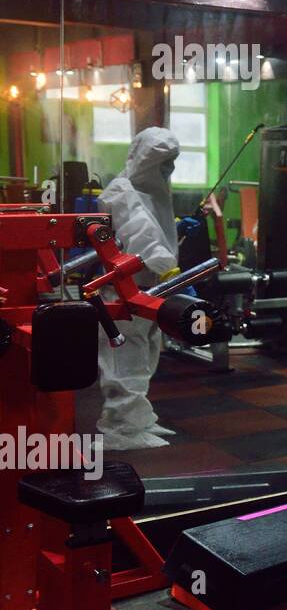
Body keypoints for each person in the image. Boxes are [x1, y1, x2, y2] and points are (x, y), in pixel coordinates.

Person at [96, 127, 182, 451]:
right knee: (125, 360)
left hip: (150, 286)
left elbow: (155, 230)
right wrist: (162, 259)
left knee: (145, 355)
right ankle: (119, 429)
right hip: (124, 289)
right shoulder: (121, 189)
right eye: (162, 162)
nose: (168, 170)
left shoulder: (155, 191)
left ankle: (139, 420)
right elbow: (138, 230)